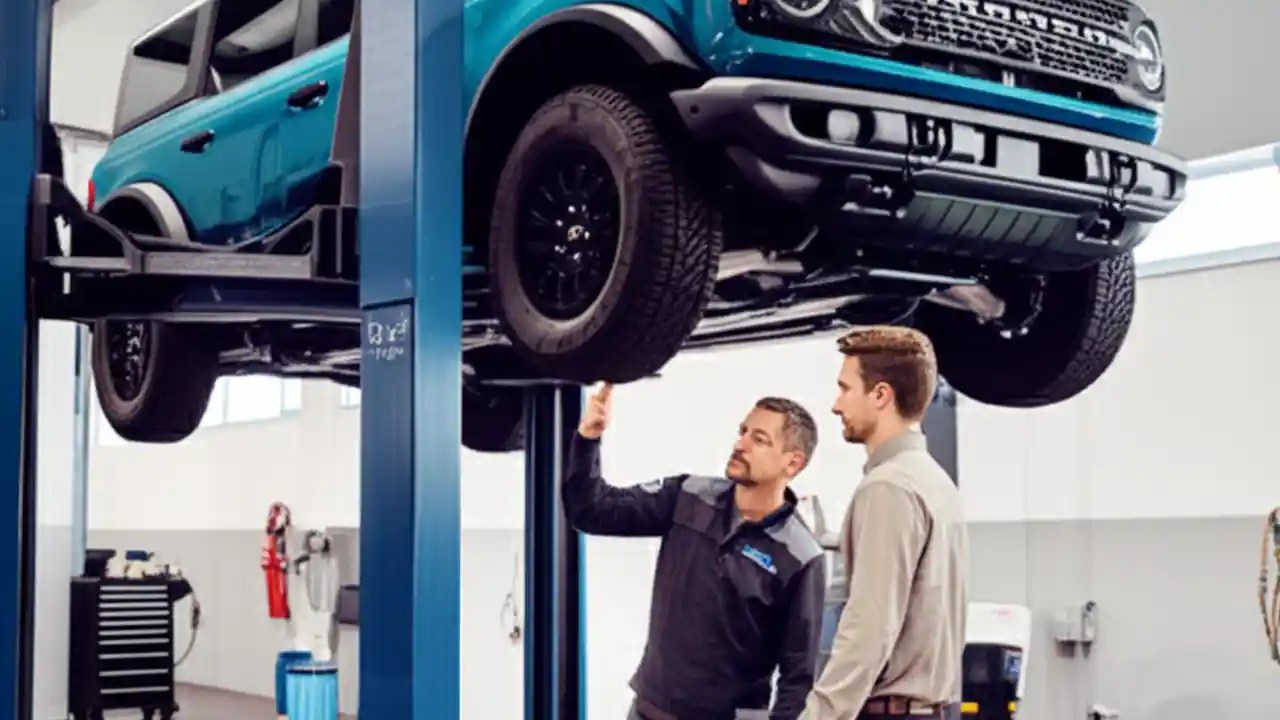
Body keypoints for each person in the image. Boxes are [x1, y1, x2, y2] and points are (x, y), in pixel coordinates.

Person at [564, 383, 827, 720]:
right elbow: (591, 512)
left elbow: (798, 678)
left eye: (759, 440)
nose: (740, 444)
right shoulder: (688, 496)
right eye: (743, 432)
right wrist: (588, 438)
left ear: (792, 463)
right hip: (649, 712)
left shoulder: (801, 556)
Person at [799, 326, 969, 720]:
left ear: (880, 395)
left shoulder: (888, 487)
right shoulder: (935, 481)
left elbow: (869, 628)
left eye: (845, 388)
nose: (836, 405)